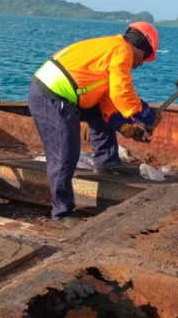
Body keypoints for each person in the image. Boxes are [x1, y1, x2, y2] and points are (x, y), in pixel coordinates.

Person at [29, 22, 159, 227]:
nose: (142, 63)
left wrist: (124, 125)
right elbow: (122, 92)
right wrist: (144, 113)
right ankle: (61, 213)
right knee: (65, 153)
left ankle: (107, 163)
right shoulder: (122, 51)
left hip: (62, 95)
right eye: (145, 58)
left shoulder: (112, 49)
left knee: (98, 114)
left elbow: (108, 101)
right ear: (142, 46)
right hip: (52, 95)